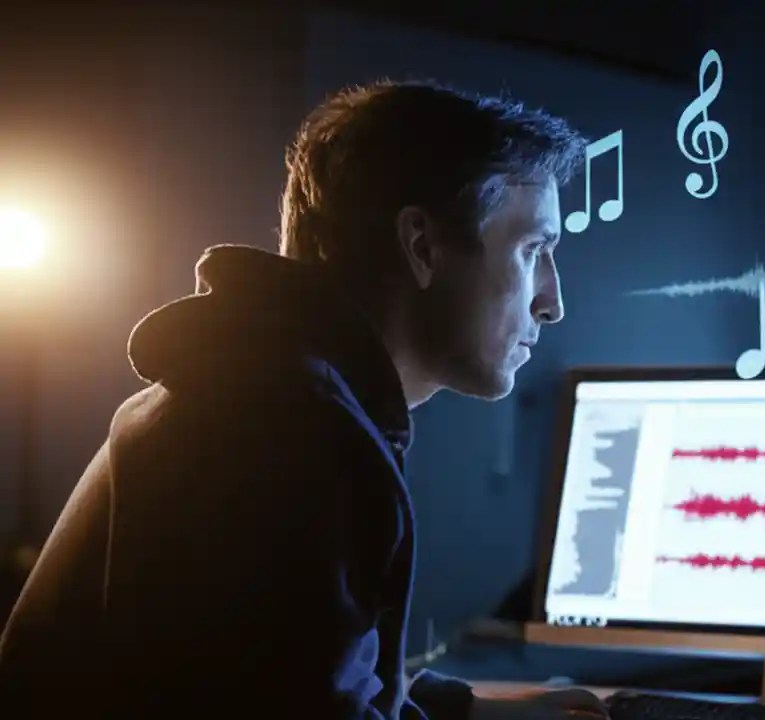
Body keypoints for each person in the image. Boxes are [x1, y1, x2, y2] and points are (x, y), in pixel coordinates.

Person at [0, 80, 607, 719]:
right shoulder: (291, 431)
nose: (552, 301)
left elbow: (296, 673)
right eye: (533, 250)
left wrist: (467, 711)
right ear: (422, 247)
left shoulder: (263, 388)